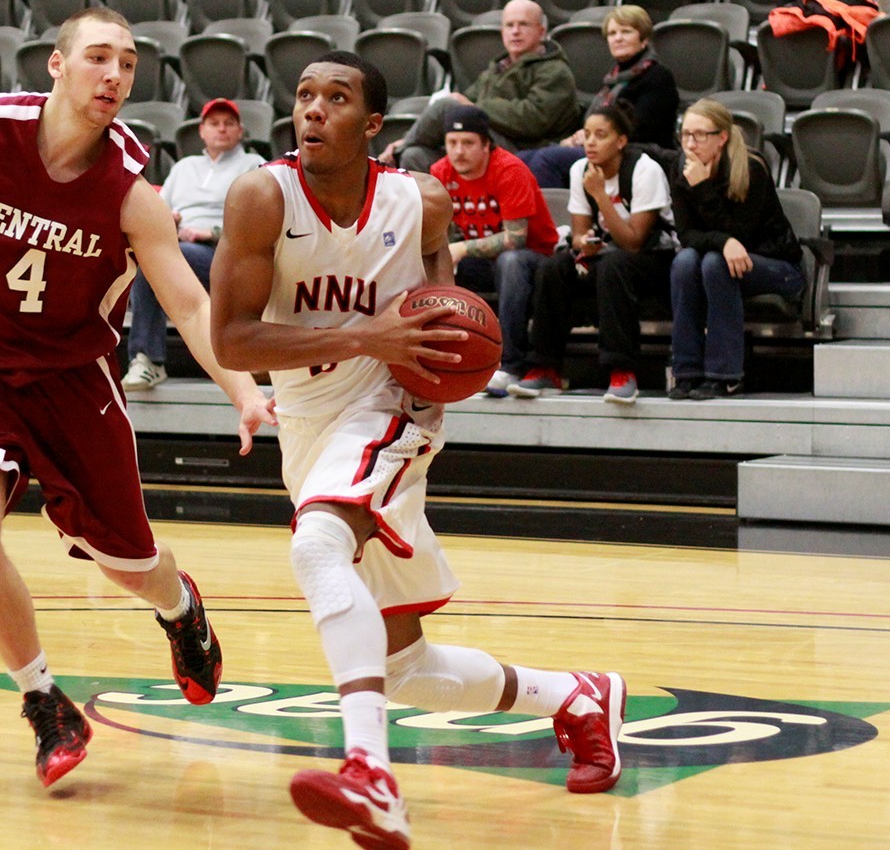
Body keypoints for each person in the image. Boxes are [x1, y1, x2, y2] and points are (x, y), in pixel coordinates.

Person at [211, 50, 627, 850]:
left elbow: (447, 318)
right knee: (403, 668)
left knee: (316, 545)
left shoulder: (420, 202)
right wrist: (362, 334)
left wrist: (423, 378)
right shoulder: (263, 196)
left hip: (393, 409)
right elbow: (230, 339)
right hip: (308, 422)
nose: (313, 109)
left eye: (336, 98)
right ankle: (579, 696)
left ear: (373, 124)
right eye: (304, 95)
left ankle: (370, 774)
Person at [0, 8, 274, 789]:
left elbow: (190, 305)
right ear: (56, 65)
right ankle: (44, 700)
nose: (114, 75)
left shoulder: (130, 194)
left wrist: (244, 392)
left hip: (71, 380)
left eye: (128, 62)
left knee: (131, 565)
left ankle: (179, 607)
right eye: (98, 57)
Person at [510, 102, 677, 405]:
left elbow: (634, 242)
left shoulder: (644, 170)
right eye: (587, 135)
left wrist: (600, 195)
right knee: (554, 267)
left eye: (601, 135)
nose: (590, 142)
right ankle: (544, 367)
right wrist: (583, 244)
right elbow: (578, 235)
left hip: (655, 260)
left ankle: (622, 371)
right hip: (609, 254)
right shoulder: (580, 170)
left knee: (614, 264)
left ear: (621, 141)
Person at [122, 97, 265, 391]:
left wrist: (210, 232)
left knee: (159, 261)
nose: (221, 129)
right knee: (147, 257)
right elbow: (158, 210)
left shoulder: (254, 165)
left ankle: (147, 359)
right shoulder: (184, 167)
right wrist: (168, 221)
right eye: (214, 123)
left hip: (226, 253)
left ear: (240, 131)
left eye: (229, 123)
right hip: (181, 247)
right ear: (202, 131)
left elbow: (259, 221)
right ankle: (145, 361)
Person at [669, 99, 803, 401]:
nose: (690, 143)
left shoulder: (751, 168)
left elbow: (742, 236)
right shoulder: (681, 167)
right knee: (685, 262)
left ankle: (724, 375)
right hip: (721, 259)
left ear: (722, 137)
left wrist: (702, 189)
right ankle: (686, 371)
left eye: (699, 135)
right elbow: (687, 235)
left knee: (715, 264)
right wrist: (723, 242)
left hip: (778, 266)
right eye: (685, 134)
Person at [429, 105, 559, 398]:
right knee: (433, 263)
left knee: (510, 262)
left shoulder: (509, 170)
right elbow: (440, 237)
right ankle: (443, 360)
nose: (459, 151)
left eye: (468, 143)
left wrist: (462, 247)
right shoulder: (440, 172)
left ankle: (511, 364)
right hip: (483, 261)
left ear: (486, 145)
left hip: (535, 260)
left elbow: (516, 239)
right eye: (452, 143)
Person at [381, 0, 581, 175]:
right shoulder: (497, 68)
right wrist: (470, 107)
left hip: (524, 150)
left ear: (541, 31)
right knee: (413, 155)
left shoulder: (555, 70)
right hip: (480, 146)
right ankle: (405, 158)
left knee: (448, 106)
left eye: (523, 24)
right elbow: (467, 100)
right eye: (509, 25)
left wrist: (477, 109)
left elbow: (533, 119)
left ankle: (389, 159)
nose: (515, 31)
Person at [518, 5, 679, 190]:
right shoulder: (614, 78)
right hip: (601, 145)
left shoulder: (658, 77)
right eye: (612, 33)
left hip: (636, 152)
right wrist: (579, 136)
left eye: (626, 32)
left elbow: (639, 129)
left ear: (644, 39)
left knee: (547, 160)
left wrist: (590, 136)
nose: (618, 38)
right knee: (522, 159)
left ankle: (556, 209)